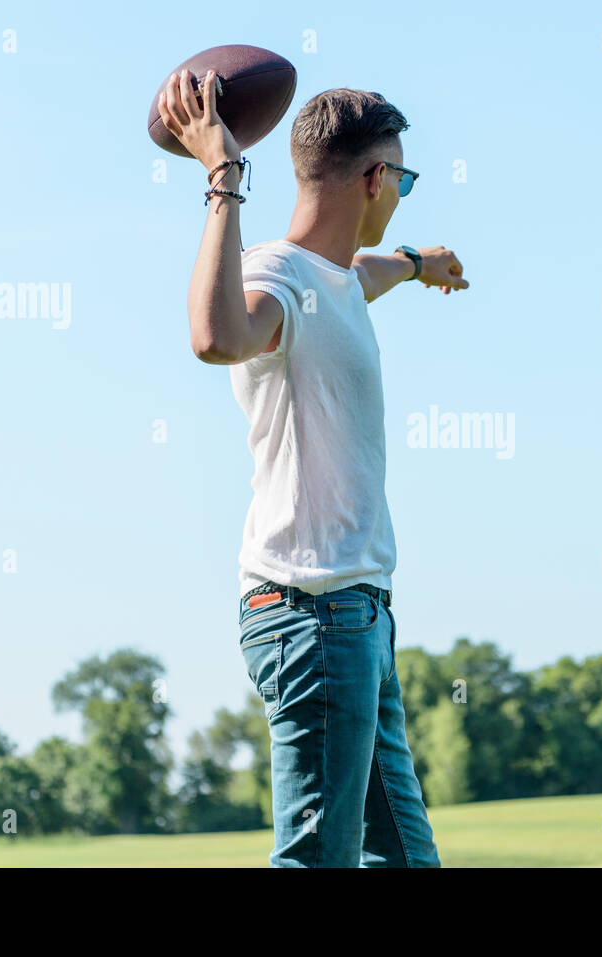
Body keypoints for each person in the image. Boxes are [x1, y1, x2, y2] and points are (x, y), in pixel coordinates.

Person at [157, 72, 469, 866]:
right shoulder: (276, 279)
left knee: (404, 861)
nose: (400, 189)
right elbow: (217, 336)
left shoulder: (339, 282)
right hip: (312, 615)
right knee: (317, 859)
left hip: (358, 618)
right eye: (400, 175)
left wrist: (416, 259)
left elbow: (363, 274)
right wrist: (222, 177)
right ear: (375, 179)